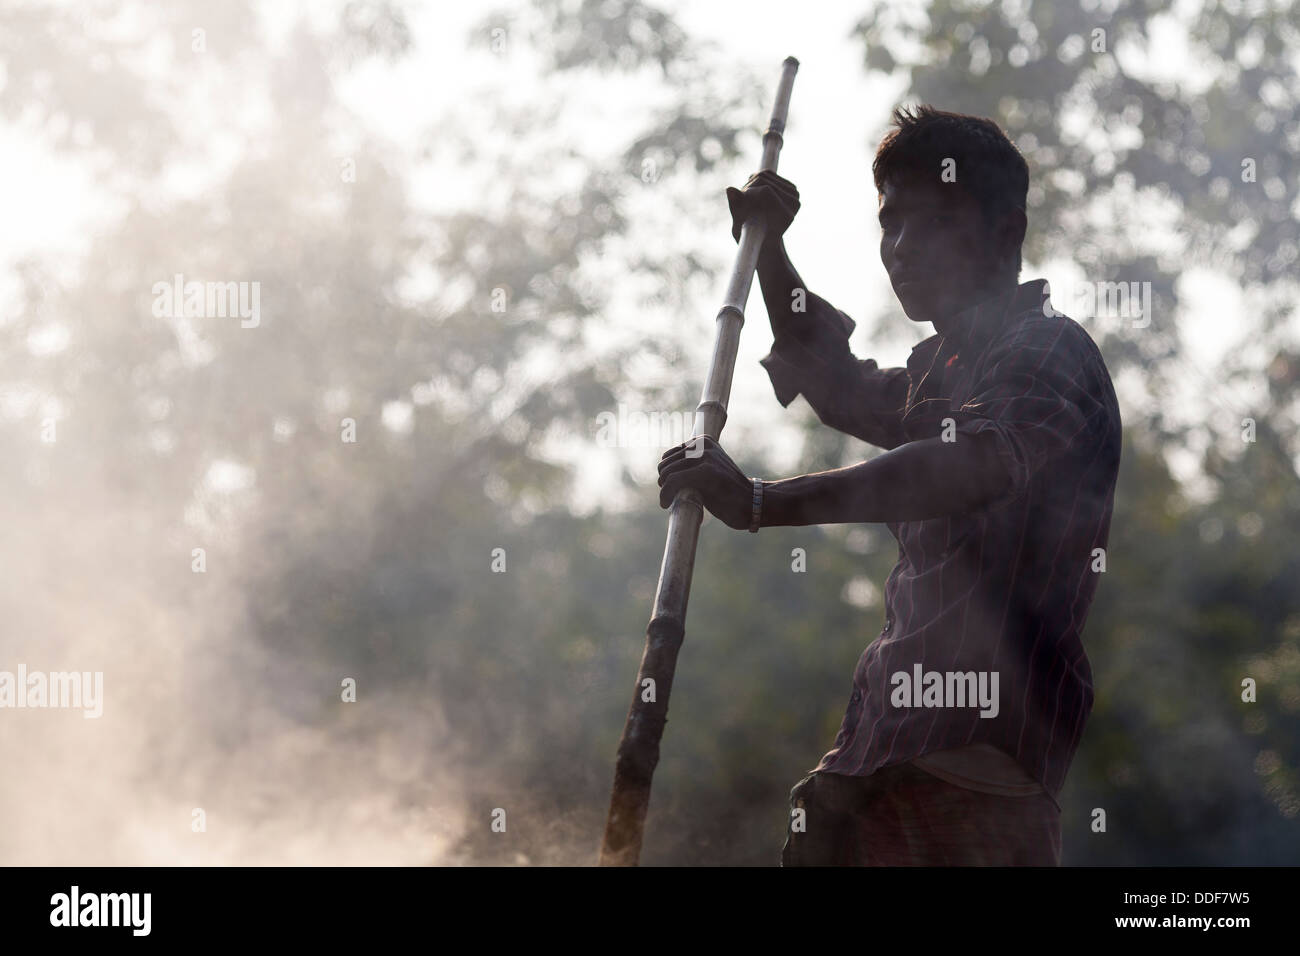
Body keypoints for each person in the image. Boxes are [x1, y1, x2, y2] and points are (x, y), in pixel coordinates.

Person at [656, 105, 1123, 866]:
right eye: (890, 224)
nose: (902, 249)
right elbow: (837, 382)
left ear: (1006, 234)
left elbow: (962, 467)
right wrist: (768, 248)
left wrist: (762, 502)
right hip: (874, 765)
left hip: (973, 781)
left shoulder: (1049, 354)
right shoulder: (941, 370)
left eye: (933, 224)